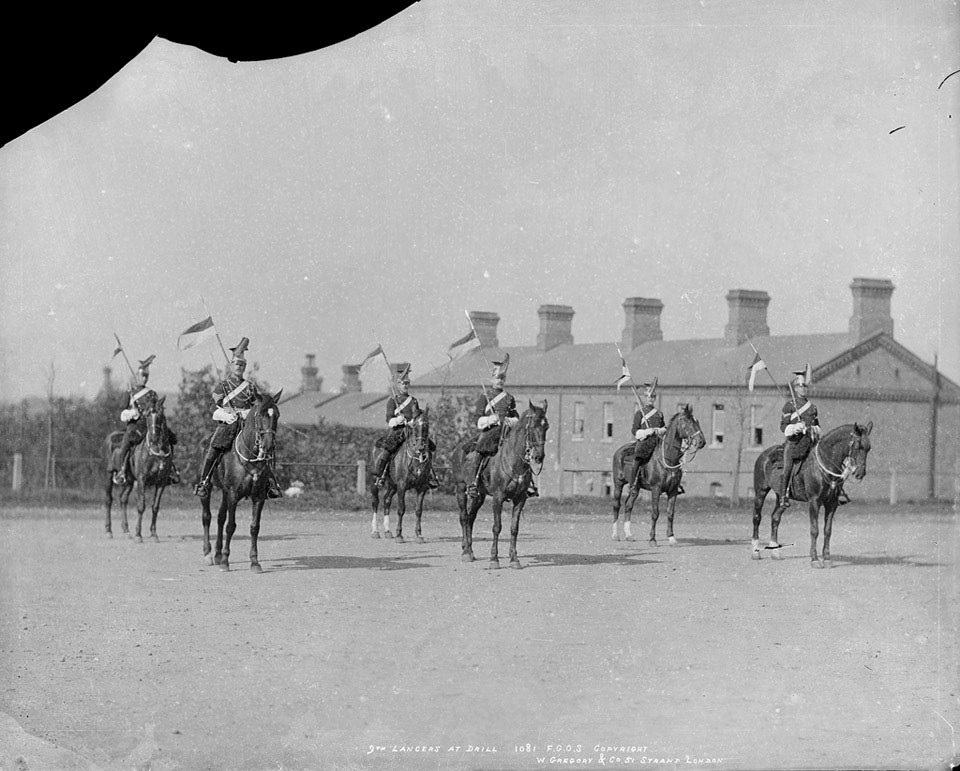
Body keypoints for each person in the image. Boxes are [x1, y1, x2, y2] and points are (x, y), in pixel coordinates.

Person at [193, 337, 282, 499]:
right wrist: (225, 415)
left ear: (245, 367)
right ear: (231, 366)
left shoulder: (250, 387)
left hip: (245, 426)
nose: (239, 367)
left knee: (264, 450)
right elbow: (212, 405)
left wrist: (245, 413)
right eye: (236, 364)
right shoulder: (223, 386)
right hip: (227, 425)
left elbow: (258, 407)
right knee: (213, 448)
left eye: (242, 365)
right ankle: (204, 481)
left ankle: (270, 483)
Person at [465, 354, 539, 498]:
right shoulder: (485, 396)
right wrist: (491, 419)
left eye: (502, 378)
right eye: (498, 378)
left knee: (522, 450)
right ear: (492, 379)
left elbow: (515, 417)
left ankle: (528, 484)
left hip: (506, 432)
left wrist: (509, 420)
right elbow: (477, 419)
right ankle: (473, 483)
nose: (500, 381)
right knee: (480, 450)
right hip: (490, 431)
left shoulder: (509, 398)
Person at [371, 366, 439, 489]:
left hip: (412, 431)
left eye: (407, 384)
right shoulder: (392, 401)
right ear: (398, 385)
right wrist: (397, 420)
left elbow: (417, 415)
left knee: (427, 447)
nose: (405, 386)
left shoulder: (413, 401)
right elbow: (389, 420)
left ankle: (429, 475)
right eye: (403, 384)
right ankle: (381, 475)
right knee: (387, 451)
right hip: (397, 431)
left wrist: (413, 421)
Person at [778, 370, 821, 507]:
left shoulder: (812, 408)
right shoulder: (789, 406)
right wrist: (795, 427)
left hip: (809, 443)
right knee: (788, 468)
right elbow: (783, 426)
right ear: (795, 388)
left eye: (805, 386)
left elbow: (817, 426)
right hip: (794, 444)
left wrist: (814, 429)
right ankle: (783, 496)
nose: (803, 389)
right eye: (800, 386)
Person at [114, 355, 159, 485]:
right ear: (137, 376)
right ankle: (122, 470)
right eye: (142, 376)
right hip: (134, 427)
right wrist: (131, 413)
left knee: (166, 439)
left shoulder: (152, 394)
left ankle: (170, 470)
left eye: (146, 376)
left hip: (149, 426)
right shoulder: (130, 393)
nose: (144, 378)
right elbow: (122, 413)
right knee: (125, 445)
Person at [629, 380, 666, 493]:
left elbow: (664, 428)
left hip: (657, 442)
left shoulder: (659, 413)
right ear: (646, 398)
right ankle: (633, 484)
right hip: (644, 441)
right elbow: (634, 431)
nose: (651, 399)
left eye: (653, 397)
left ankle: (672, 483)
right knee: (638, 460)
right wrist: (647, 432)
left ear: (655, 399)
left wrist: (658, 430)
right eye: (649, 397)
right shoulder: (640, 413)